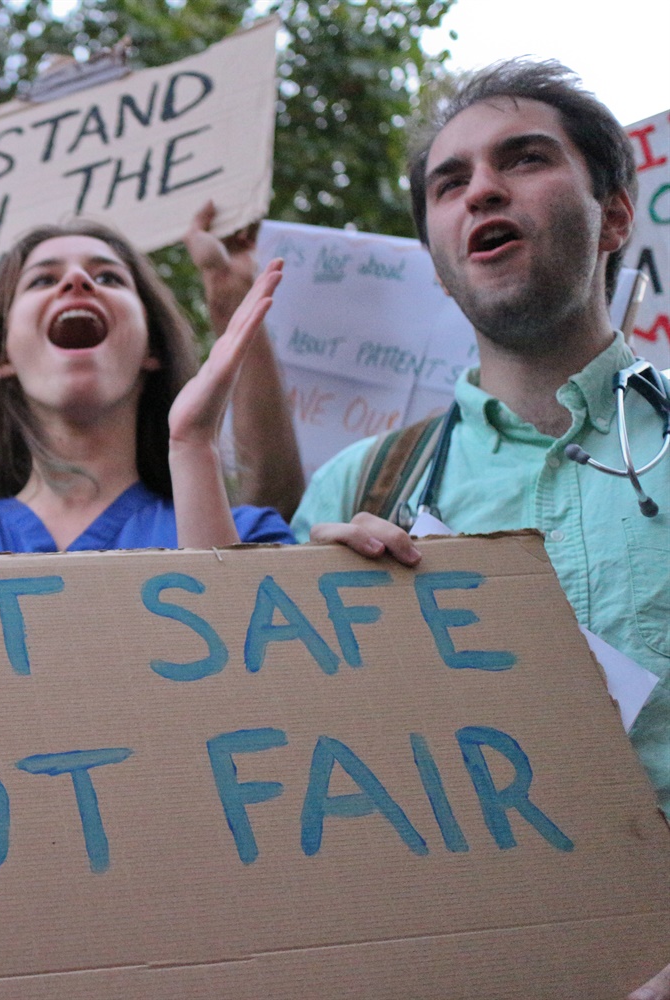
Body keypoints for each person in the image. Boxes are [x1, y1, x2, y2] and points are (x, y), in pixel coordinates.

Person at [286, 59, 670, 1000]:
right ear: (438, 257)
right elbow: (288, 794)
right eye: (448, 183)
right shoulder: (352, 492)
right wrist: (304, 633)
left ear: (615, 216)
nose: (481, 190)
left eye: (524, 158)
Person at [0, 216, 295, 558]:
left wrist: (193, 447)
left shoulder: (252, 535)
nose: (77, 281)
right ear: (3, 355)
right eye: (41, 280)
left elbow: (248, 652)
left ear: (151, 346)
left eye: (109, 277)